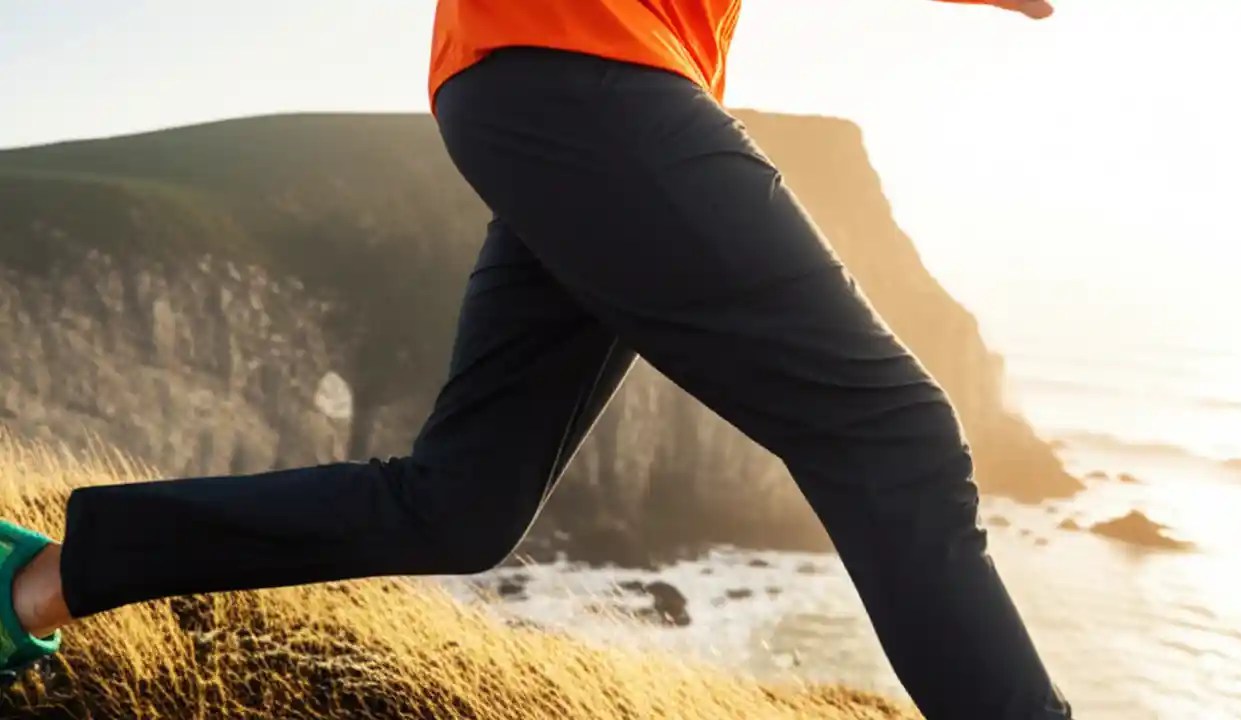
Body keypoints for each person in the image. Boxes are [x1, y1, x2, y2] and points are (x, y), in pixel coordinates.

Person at [1, 0, 1071, 717]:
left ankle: (32, 586)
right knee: (893, 435)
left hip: (546, 87)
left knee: (459, 508)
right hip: (590, 68)